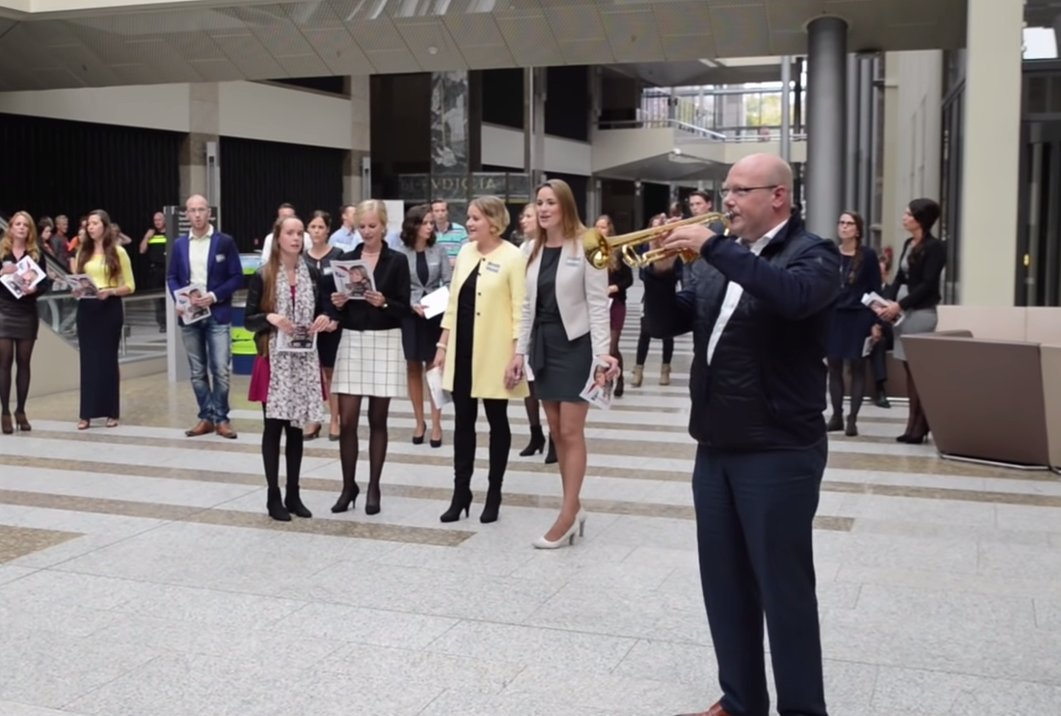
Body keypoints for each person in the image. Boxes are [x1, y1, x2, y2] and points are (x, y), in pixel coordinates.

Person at [643, 153, 840, 716]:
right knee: (724, 587)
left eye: (738, 191)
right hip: (716, 441)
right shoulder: (718, 258)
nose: (725, 201)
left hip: (779, 445)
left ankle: (803, 709)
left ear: (778, 195)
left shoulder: (813, 254)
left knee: (784, 591)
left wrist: (711, 248)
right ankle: (741, 701)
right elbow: (665, 323)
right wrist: (659, 277)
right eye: (724, 190)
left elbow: (793, 298)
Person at [515, 179, 618, 549]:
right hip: (544, 344)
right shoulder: (530, 248)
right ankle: (574, 507)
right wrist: (519, 351)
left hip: (577, 345)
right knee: (556, 432)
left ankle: (568, 512)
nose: (543, 210)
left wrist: (603, 355)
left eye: (550, 203)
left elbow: (596, 303)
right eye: (539, 203)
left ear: (565, 207)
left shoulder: (588, 243)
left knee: (572, 432)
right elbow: (526, 307)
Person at [433, 196, 528, 524]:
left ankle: (494, 493)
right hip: (462, 350)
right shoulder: (464, 252)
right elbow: (453, 304)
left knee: (497, 420)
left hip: (495, 351)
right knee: (462, 423)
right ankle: (461, 493)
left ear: (493, 221)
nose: (469, 224)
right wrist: (443, 345)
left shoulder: (514, 257)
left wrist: (517, 354)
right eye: (469, 218)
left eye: (475, 218)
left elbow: (520, 309)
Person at [246, 215, 338, 521]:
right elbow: (249, 320)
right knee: (273, 428)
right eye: (291, 233)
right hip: (274, 360)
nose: (297, 238)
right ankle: (273, 495)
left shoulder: (312, 273)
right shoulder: (263, 275)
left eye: (300, 233)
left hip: (302, 359)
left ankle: (293, 493)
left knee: (296, 428)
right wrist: (270, 318)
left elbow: (325, 308)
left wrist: (325, 318)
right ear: (279, 237)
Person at [329, 199, 411, 516]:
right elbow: (335, 301)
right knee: (347, 420)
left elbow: (404, 308)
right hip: (352, 337)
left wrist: (384, 302)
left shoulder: (397, 261)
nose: (367, 232)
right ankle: (349, 485)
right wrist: (338, 301)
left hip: (385, 338)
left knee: (378, 419)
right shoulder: (346, 259)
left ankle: (374, 486)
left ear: (384, 226)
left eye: (372, 226)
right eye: (362, 226)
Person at [166, 195, 244, 439]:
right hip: (190, 315)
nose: (197, 215)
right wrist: (179, 299)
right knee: (197, 370)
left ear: (209, 212)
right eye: (192, 210)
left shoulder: (224, 242)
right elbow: (172, 276)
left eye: (201, 210)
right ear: (186, 215)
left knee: (220, 368)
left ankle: (221, 418)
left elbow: (237, 277)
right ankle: (205, 416)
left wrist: (213, 295)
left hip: (217, 313)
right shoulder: (180, 244)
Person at [873, 198, 946, 444]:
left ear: (921, 218)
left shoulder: (936, 247)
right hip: (902, 313)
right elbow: (899, 279)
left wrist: (899, 305)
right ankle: (915, 424)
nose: (904, 218)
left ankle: (919, 425)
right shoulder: (908, 243)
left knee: (916, 370)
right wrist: (886, 303)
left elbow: (927, 284)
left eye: (908, 214)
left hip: (920, 313)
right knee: (907, 369)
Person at [75, 210, 137, 429]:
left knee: (108, 360)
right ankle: (86, 413)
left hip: (109, 308)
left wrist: (110, 292)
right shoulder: (83, 251)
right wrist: (77, 289)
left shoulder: (118, 252)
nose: (90, 227)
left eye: (94, 223)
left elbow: (130, 285)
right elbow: (79, 278)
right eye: (88, 224)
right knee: (88, 361)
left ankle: (112, 411)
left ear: (104, 226)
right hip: (87, 309)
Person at [397, 204, 452, 448]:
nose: (430, 227)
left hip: (435, 312)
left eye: (432, 223)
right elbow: (398, 288)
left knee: (434, 368)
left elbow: (449, 282)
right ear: (414, 226)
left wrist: (438, 301)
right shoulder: (400, 253)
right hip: (411, 315)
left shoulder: (439, 250)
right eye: (426, 223)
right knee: (412, 367)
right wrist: (412, 304)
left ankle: (437, 423)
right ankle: (419, 421)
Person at [826, 211, 881, 437]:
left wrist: (876, 322)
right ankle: (836, 415)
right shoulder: (831, 253)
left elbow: (875, 289)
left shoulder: (867, 256)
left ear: (858, 230)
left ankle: (853, 419)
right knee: (834, 367)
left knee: (857, 367)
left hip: (859, 316)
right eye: (841, 223)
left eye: (849, 224)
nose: (844, 227)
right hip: (834, 316)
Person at [0, 211, 51, 434]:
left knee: (23, 361)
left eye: (25, 225)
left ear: (30, 230)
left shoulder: (36, 254)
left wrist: (35, 289)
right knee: (4, 361)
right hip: (3, 310)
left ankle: (21, 410)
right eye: (17, 224)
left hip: (27, 311)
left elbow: (46, 282)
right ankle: (5, 412)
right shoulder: (1, 252)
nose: (21, 228)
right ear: (10, 228)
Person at [515, 203, 557, 464]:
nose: (524, 220)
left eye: (528, 216)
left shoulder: (550, 247)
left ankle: (555, 438)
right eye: (525, 216)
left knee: (547, 385)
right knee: (528, 385)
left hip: (546, 320)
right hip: (526, 320)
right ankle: (535, 433)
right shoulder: (522, 249)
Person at [303, 210, 345, 441]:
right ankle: (313, 419)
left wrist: (334, 318)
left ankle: (335, 419)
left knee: (331, 372)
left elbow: (344, 292)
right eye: (313, 227)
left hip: (331, 323)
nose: (317, 231)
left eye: (321, 227)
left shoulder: (339, 256)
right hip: (308, 324)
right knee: (311, 373)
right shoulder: (302, 259)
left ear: (328, 229)